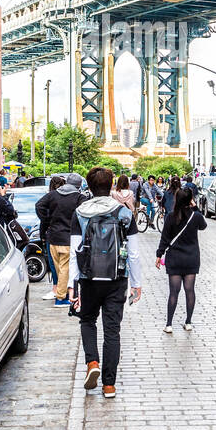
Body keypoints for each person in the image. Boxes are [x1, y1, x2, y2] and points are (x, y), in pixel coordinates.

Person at [68, 167, 141, 399]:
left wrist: (73, 285)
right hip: (116, 278)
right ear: (111, 186)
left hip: (89, 279)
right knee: (112, 330)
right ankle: (109, 385)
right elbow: (134, 253)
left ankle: (92, 362)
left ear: (89, 187)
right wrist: (136, 283)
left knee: (87, 320)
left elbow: (74, 252)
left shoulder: (79, 212)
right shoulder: (124, 213)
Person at [156, 185, 207, 333]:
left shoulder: (171, 216)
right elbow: (203, 226)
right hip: (191, 258)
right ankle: (188, 322)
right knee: (190, 290)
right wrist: (195, 207)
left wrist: (159, 255)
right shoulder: (196, 216)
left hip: (175, 259)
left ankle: (169, 324)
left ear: (177, 199)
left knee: (174, 292)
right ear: (190, 200)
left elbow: (164, 238)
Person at [35, 174, 83, 307]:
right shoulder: (79, 198)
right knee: (65, 269)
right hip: (67, 238)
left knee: (58, 268)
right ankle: (61, 298)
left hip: (53, 237)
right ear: (78, 186)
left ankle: (64, 294)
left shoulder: (52, 195)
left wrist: (47, 219)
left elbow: (39, 205)